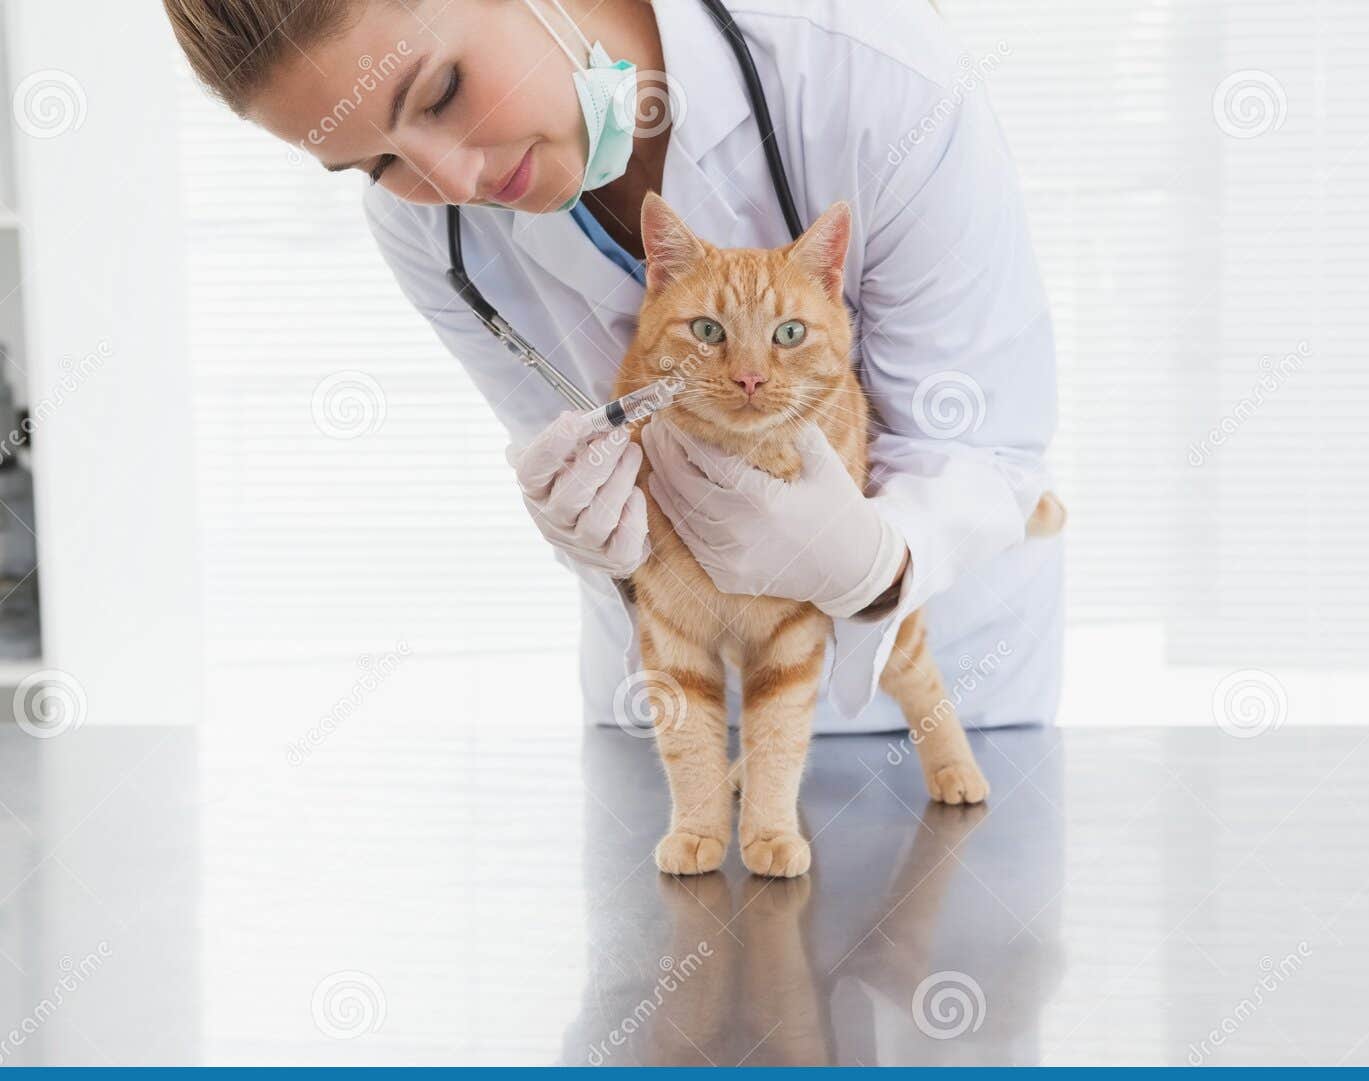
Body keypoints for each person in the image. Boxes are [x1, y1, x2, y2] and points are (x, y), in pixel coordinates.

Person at [164, 0, 1064, 732]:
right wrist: (594, 529)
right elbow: (573, 453)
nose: (450, 181)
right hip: (680, 712)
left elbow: (981, 437)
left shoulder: (868, 68)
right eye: (375, 162)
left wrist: (874, 566)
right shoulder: (425, 229)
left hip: (938, 697)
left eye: (440, 92)